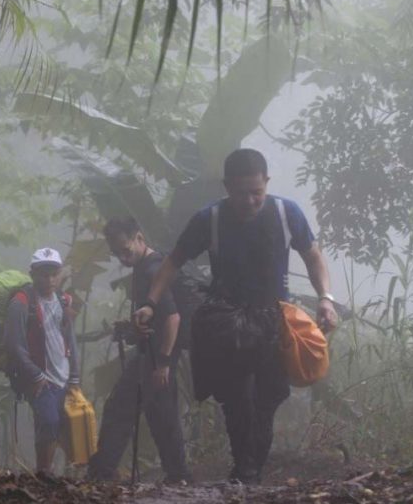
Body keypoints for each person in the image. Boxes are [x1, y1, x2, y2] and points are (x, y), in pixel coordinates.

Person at [133, 149, 338, 484]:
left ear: (267, 183)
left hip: (274, 319)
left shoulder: (287, 213)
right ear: (227, 186)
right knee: (236, 397)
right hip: (226, 321)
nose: (250, 200)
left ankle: (250, 466)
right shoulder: (209, 219)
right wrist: (150, 304)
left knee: (270, 395)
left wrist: (325, 299)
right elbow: (173, 262)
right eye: (242, 193)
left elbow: (313, 256)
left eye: (257, 192)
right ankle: (246, 470)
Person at [87, 217, 190, 484]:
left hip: (158, 356)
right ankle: (178, 474)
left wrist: (164, 363)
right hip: (155, 353)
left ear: (140, 239)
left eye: (126, 249)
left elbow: (172, 318)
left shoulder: (151, 269)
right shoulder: (147, 265)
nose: (122, 257)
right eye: (116, 252)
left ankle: (102, 473)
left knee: (120, 407)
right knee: (160, 414)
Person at [4, 246, 81, 475]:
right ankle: (44, 472)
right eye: (43, 273)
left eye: (53, 274)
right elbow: (14, 345)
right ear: (32, 274)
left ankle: (61, 474)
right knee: (48, 421)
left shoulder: (64, 301)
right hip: (38, 377)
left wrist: (75, 376)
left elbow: (70, 339)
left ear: (59, 274)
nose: (49, 279)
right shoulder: (20, 303)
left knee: (65, 424)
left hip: (64, 376)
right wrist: (35, 375)